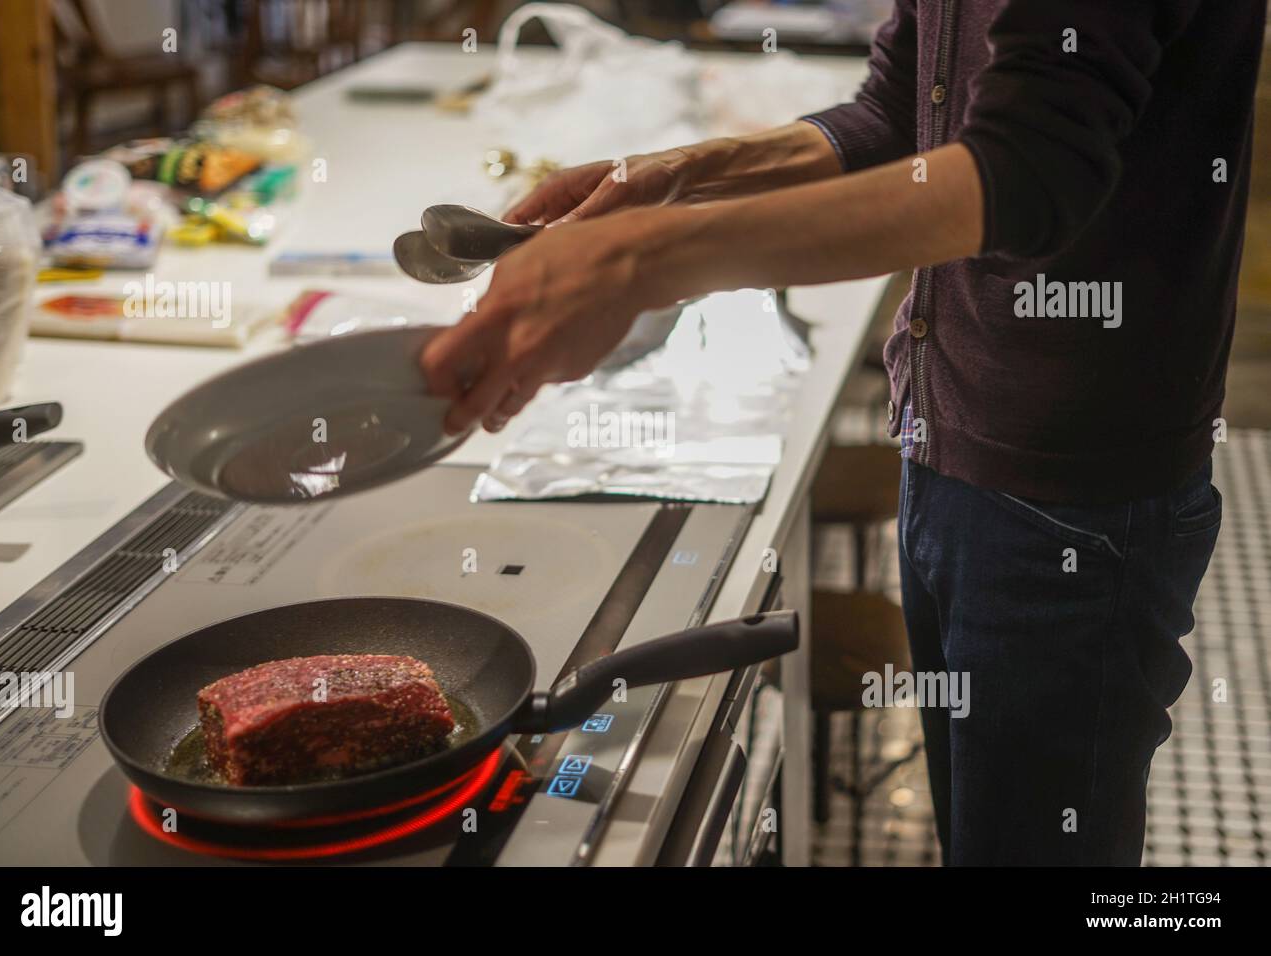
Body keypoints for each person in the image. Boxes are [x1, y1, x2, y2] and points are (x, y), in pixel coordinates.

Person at [420, 1, 1266, 864]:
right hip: (950, 440)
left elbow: (1027, 172)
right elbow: (900, 115)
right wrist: (679, 175)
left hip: (1073, 494)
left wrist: (644, 260)